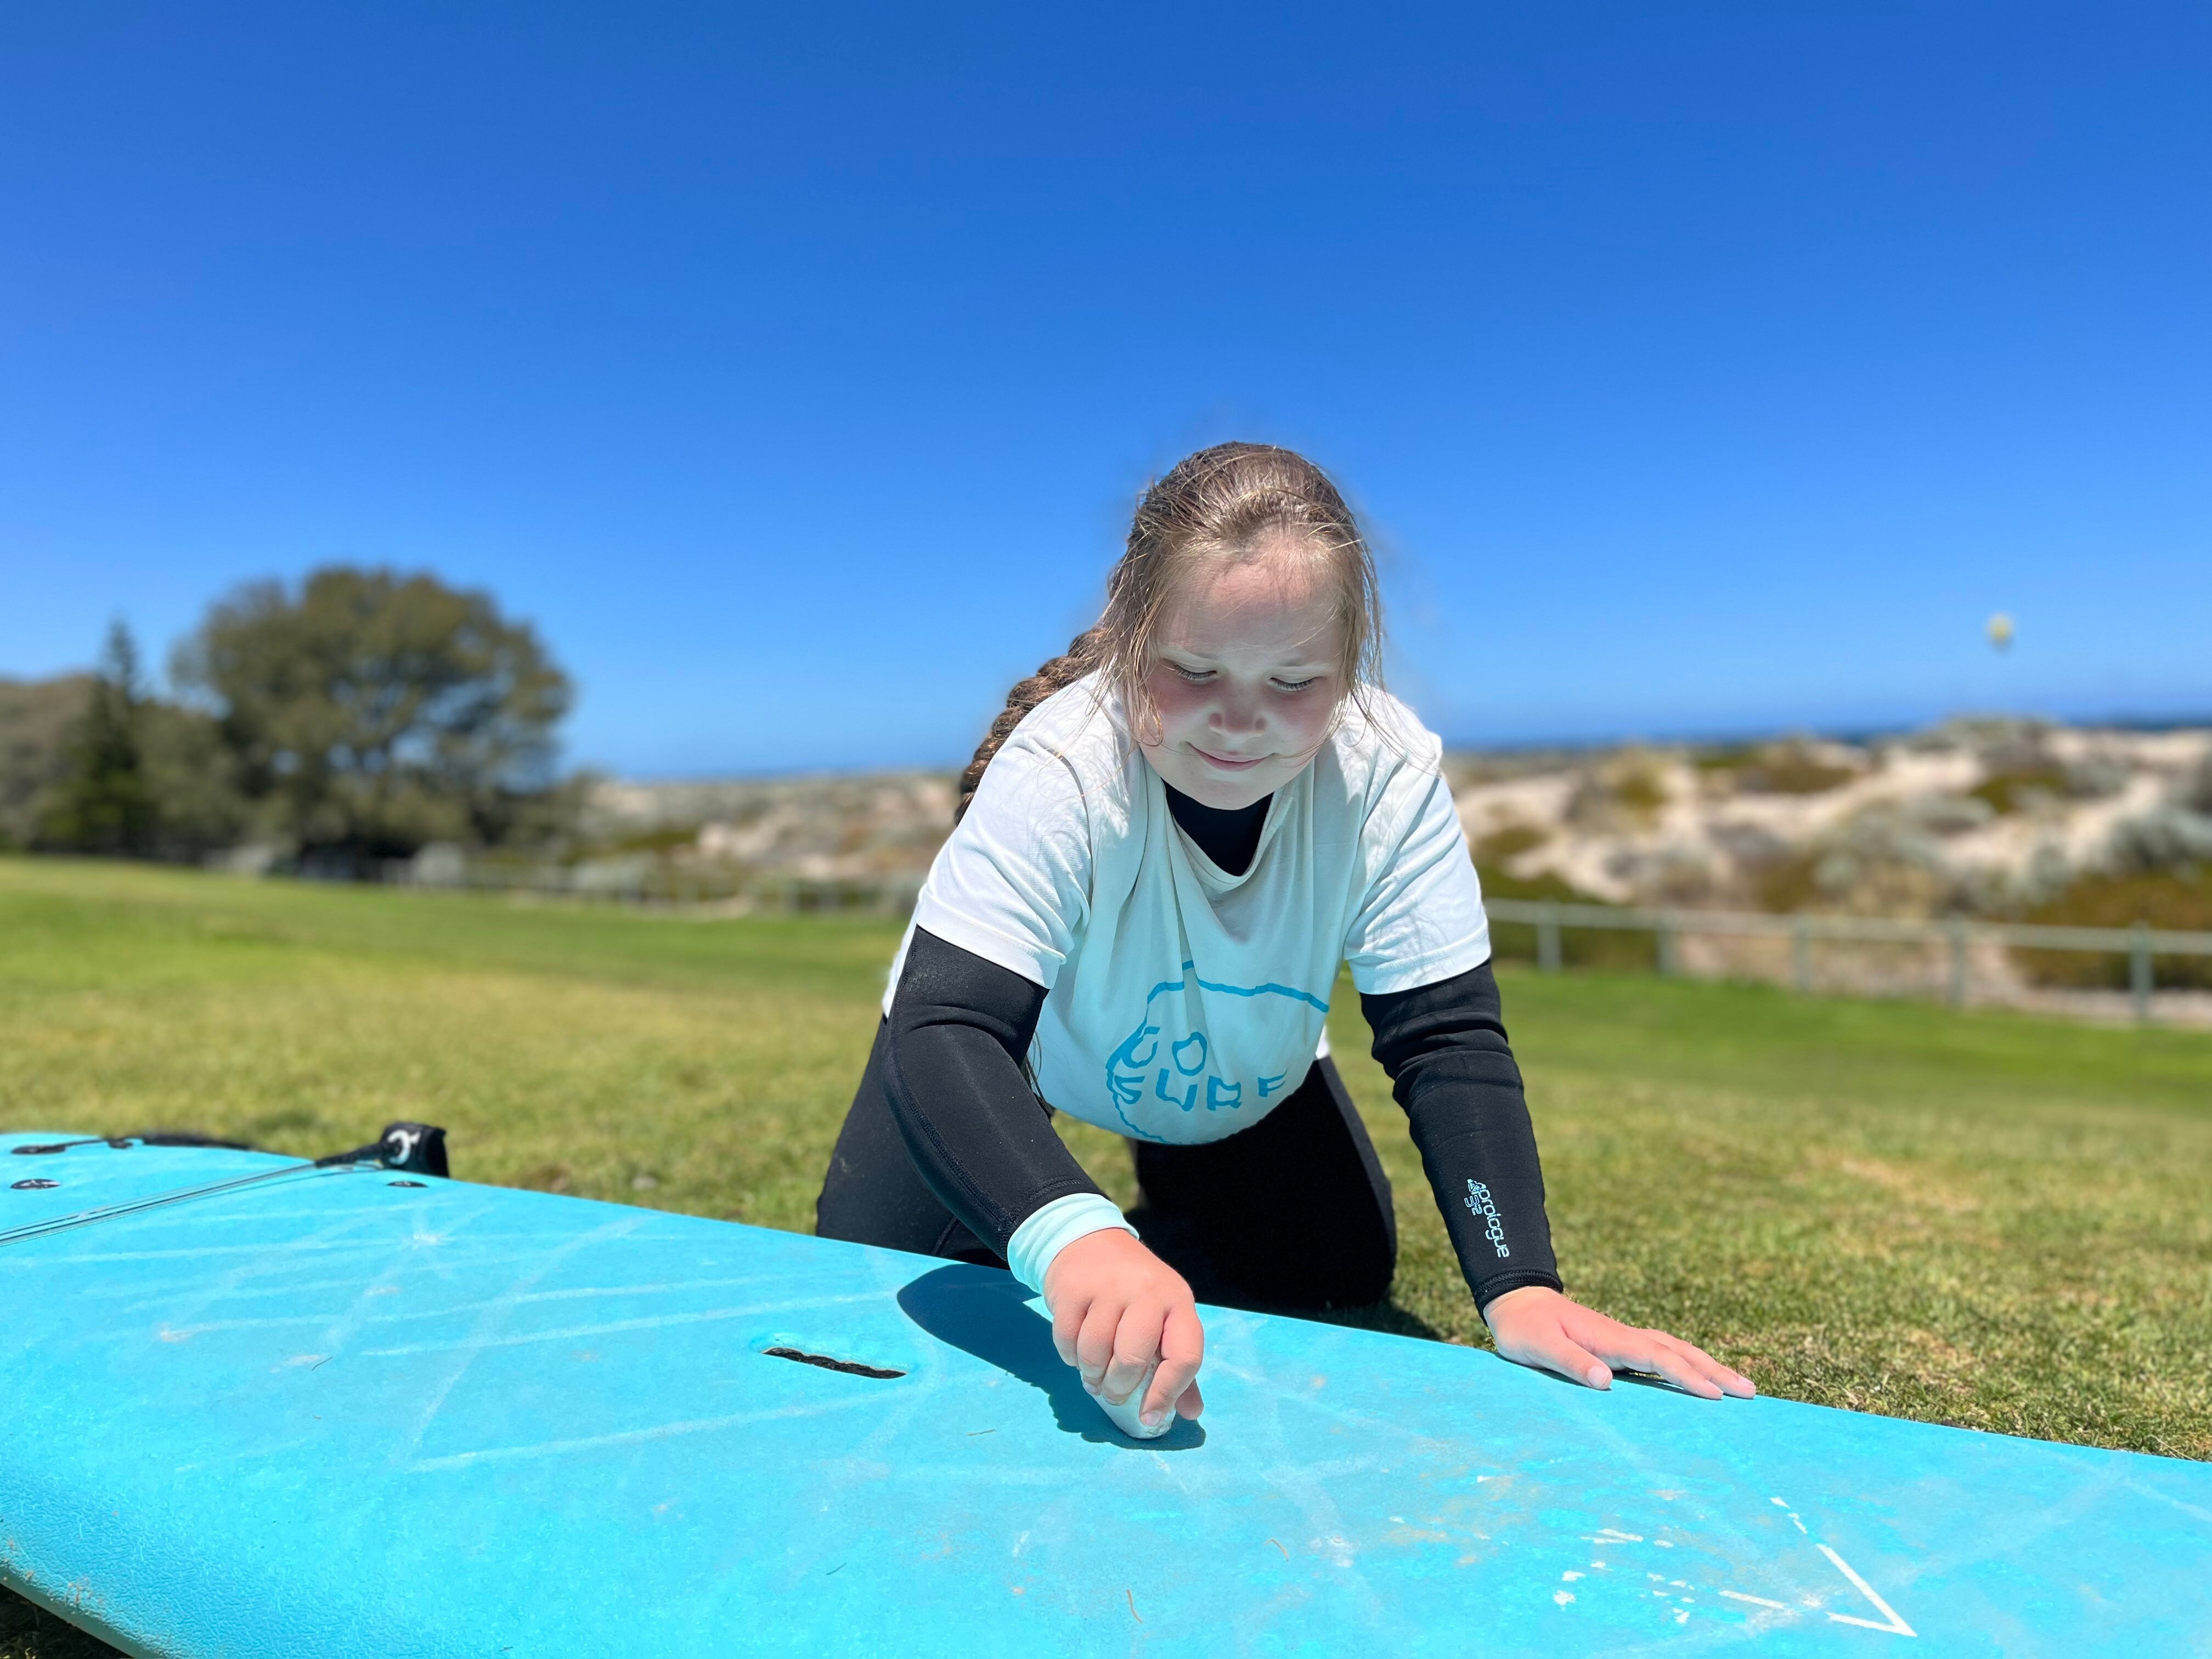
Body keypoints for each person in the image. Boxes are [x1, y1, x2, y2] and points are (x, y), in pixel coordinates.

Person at [816, 442, 1752, 1432]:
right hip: (1013, 1065)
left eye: (1296, 681)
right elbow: (946, 1025)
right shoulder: (1064, 762)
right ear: (1132, 633)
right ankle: (1090, 1219)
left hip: (1235, 1070)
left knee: (1334, 1265)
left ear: (1349, 667)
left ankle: (1160, 1213)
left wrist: (1519, 1283)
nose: (1239, 722)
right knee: (877, 1271)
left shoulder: (1386, 771)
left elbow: (1446, 1039)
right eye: (1192, 668)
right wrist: (1072, 1235)